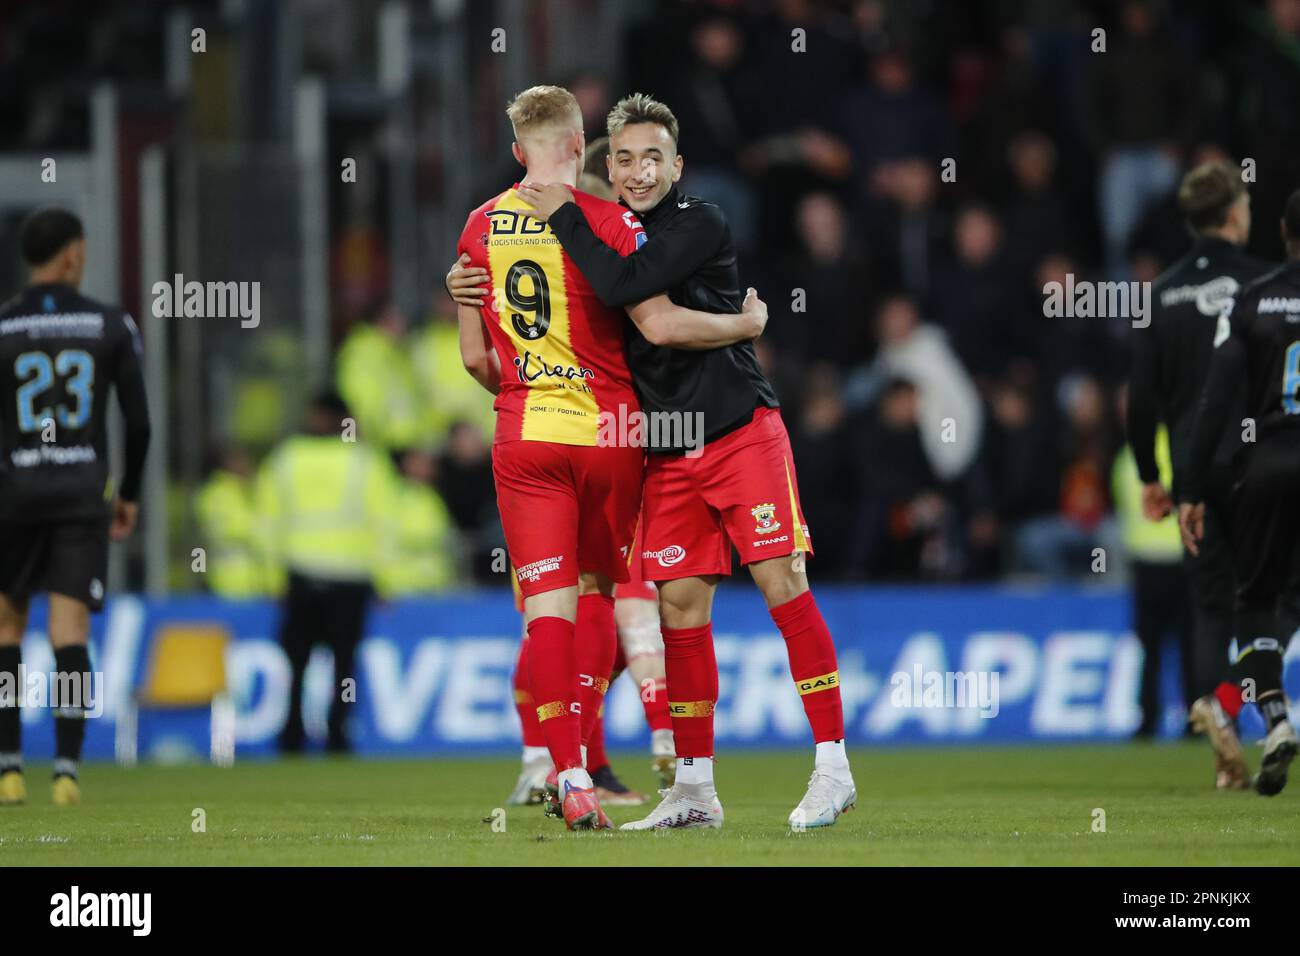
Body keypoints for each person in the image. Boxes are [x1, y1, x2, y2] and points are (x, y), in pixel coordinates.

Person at [470, 92, 856, 830]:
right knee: (680, 610)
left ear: (676, 165)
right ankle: (694, 789)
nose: (640, 171)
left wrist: (743, 326)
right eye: (624, 158)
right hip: (663, 451)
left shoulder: (695, 221)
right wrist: (468, 286)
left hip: (739, 429)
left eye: (654, 157)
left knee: (782, 580)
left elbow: (647, 309)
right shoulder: (597, 227)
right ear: (604, 166)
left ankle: (833, 764)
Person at [1127, 160, 1273, 787]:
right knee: (1270, 599)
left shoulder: (1160, 294)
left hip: (1195, 474)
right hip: (1261, 465)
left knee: (1211, 606)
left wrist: (1150, 475)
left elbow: (1140, 398)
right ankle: (1229, 701)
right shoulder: (1269, 283)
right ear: (1236, 212)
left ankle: (1223, 740)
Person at [0, 207, 151, 806]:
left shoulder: (3, 325)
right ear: (72, 254)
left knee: (6, 631)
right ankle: (65, 771)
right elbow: (138, 423)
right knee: (70, 632)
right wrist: (130, 494)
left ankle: (8, 769)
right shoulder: (109, 323)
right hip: (80, 495)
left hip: (12, 495)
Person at [1180, 188, 1300, 797]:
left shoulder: (1252, 300)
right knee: (1288, 606)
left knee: (1256, 603)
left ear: (1283, 231)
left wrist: (1190, 487)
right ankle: (1235, 708)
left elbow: (1215, 400)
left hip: (1267, 465)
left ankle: (1270, 719)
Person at [256, 391, 396, 754]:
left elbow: (267, 520)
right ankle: (338, 737)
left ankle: (291, 737)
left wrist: (273, 578)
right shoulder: (365, 461)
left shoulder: (285, 459)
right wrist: (385, 579)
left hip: (300, 573)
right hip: (351, 575)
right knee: (343, 665)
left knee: (297, 663)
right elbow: (383, 522)